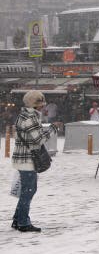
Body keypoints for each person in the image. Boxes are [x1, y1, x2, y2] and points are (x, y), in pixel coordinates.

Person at [12, 90, 54, 233]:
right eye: (41, 104)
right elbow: (39, 139)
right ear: (35, 105)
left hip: (23, 158)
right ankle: (23, 223)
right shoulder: (30, 118)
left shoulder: (23, 115)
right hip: (27, 160)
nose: (43, 107)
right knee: (28, 191)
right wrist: (52, 129)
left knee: (27, 190)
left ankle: (17, 219)